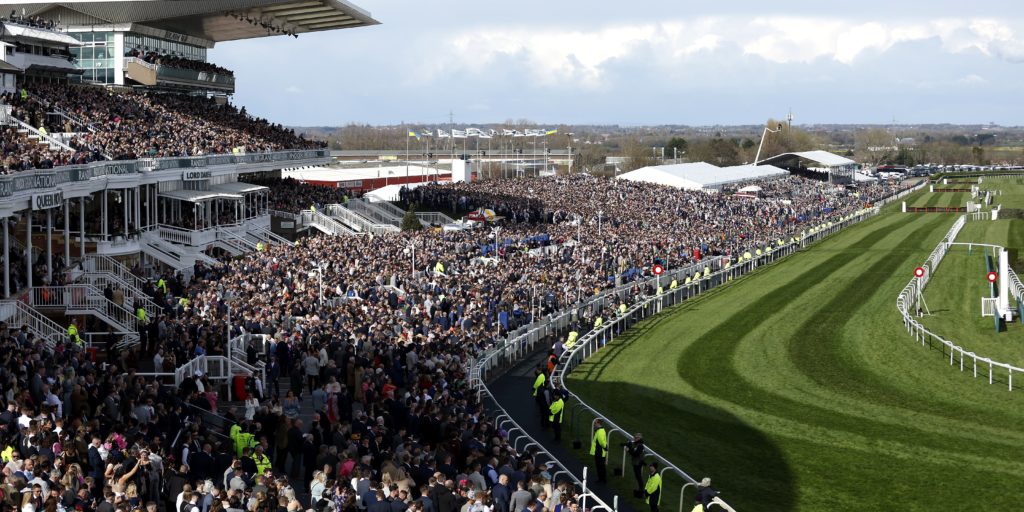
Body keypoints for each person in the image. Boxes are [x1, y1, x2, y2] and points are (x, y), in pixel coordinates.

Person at [590, 419, 608, 483]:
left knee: (600, 466)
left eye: (595, 423)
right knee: (600, 466)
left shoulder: (600, 431)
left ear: (598, 423)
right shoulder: (600, 430)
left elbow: (601, 442)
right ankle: (602, 479)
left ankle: (602, 480)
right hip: (599, 451)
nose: (594, 424)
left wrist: (605, 447)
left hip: (599, 452)